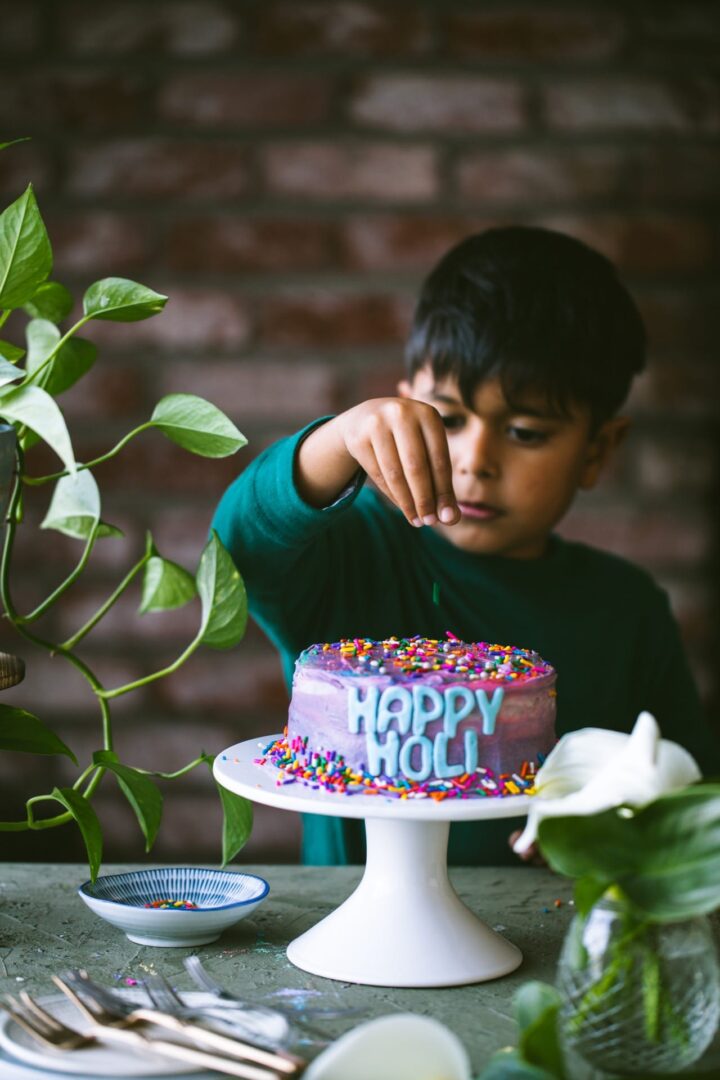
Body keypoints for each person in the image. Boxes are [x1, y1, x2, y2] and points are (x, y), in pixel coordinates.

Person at [212, 225, 719, 867]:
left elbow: (693, 803)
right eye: (447, 419)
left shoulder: (627, 610)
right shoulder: (352, 551)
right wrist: (338, 441)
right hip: (354, 942)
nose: (475, 460)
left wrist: (621, 834)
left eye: (527, 432)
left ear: (598, 450)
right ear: (402, 406)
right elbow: (239, 549)